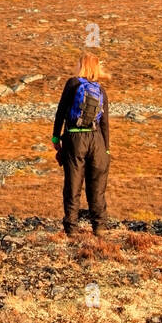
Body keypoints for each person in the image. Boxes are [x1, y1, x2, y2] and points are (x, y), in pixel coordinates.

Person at [52, 50, 111, 237]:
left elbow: (60, 111)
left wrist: (55, 137)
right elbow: (105, 122)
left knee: (73, 184)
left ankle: (72, 228)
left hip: (75, 138)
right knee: (97, 186)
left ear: (82, 65)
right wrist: (106, 149)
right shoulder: (101, 90)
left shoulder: (73, 83)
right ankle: (99, 227)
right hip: (97, 140)